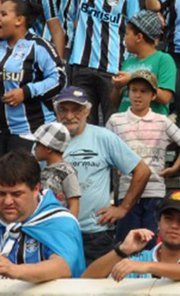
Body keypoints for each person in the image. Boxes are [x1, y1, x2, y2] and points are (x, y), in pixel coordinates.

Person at [57, 86, 151, 264]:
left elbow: (142, 171)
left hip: (96, 233)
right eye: (63, 109)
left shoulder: (103, 137)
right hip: (57, 232)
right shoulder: (46, 140)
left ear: (87, 111)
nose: (69, 116)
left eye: (76, 109)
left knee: (96, 289)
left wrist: (123, 208)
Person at [105, 69, 180, 240]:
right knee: (126, 242)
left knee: (151, 242)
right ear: (127, 92)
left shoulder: (161, 121)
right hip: (126, 191)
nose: (138, 95)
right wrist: (115, 165)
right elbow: (106, 149)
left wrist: (175, 167)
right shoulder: (116, 120)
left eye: (144, 91)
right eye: (134, 90)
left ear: (153, 96)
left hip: (155, 191)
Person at [82, 190, 180, 281]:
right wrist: (121, 251)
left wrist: (147, 266)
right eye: (168, 218)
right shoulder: (139, 260)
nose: (175, 225)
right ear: (158, 223)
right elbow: (86, 281)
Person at [0, 150, 85, 281]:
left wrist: (13, 270)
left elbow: (63, 266)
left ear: (36, 189)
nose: (7, 201)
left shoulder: (60, 222)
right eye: (1, 194)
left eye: (16, 194)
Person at [0, 0, 66, 154]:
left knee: (19, 178)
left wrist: (26, 92)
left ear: (19, 20)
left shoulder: (39, 46)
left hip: (30, 132)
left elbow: (59, 79)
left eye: (3, 14)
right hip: (2, 133)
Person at [112, 10, 176, 117]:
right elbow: (115, 103)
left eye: (127, 34)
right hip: (125, 123)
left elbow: (165, 97)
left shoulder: (164, 60)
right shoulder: (128, 61)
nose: (124, 38)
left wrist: (132, 79)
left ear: (139, 37)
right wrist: (117, 87)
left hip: (152, 126)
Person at [28, 121, 80, 216]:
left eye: (37, 144)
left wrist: (70, 228)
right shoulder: (42, 169)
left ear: (48, 149)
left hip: (60, 224)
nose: (35, 148)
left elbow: (74, 203)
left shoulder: (67, 171)